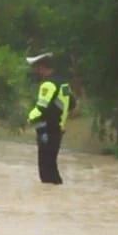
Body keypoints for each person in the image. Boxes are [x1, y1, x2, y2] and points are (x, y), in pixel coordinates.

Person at [26, 52, 73, 185]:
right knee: (52, 165)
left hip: (47, 128)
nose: (35, 71)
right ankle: (56, 194)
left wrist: (29, 118)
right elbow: (72, 104)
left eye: (35, 67)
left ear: (41, 67)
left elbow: (41, 107)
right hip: (58, 128)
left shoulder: (48, 84)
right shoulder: (63, 83)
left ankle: (49, 196)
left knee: (46, 169)